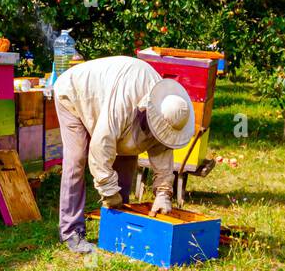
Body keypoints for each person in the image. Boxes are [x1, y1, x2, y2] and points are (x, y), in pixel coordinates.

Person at [52, 56, 195, 254]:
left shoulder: (167, 108)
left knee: (128, 158)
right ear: (149, 114)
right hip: (75, 94)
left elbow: (162, 152)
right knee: (76, 159)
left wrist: (163, 193)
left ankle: (118, 225)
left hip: (110, 101)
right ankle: (71, 231)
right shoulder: (124, 103)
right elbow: (100, 147)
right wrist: (109, 190)